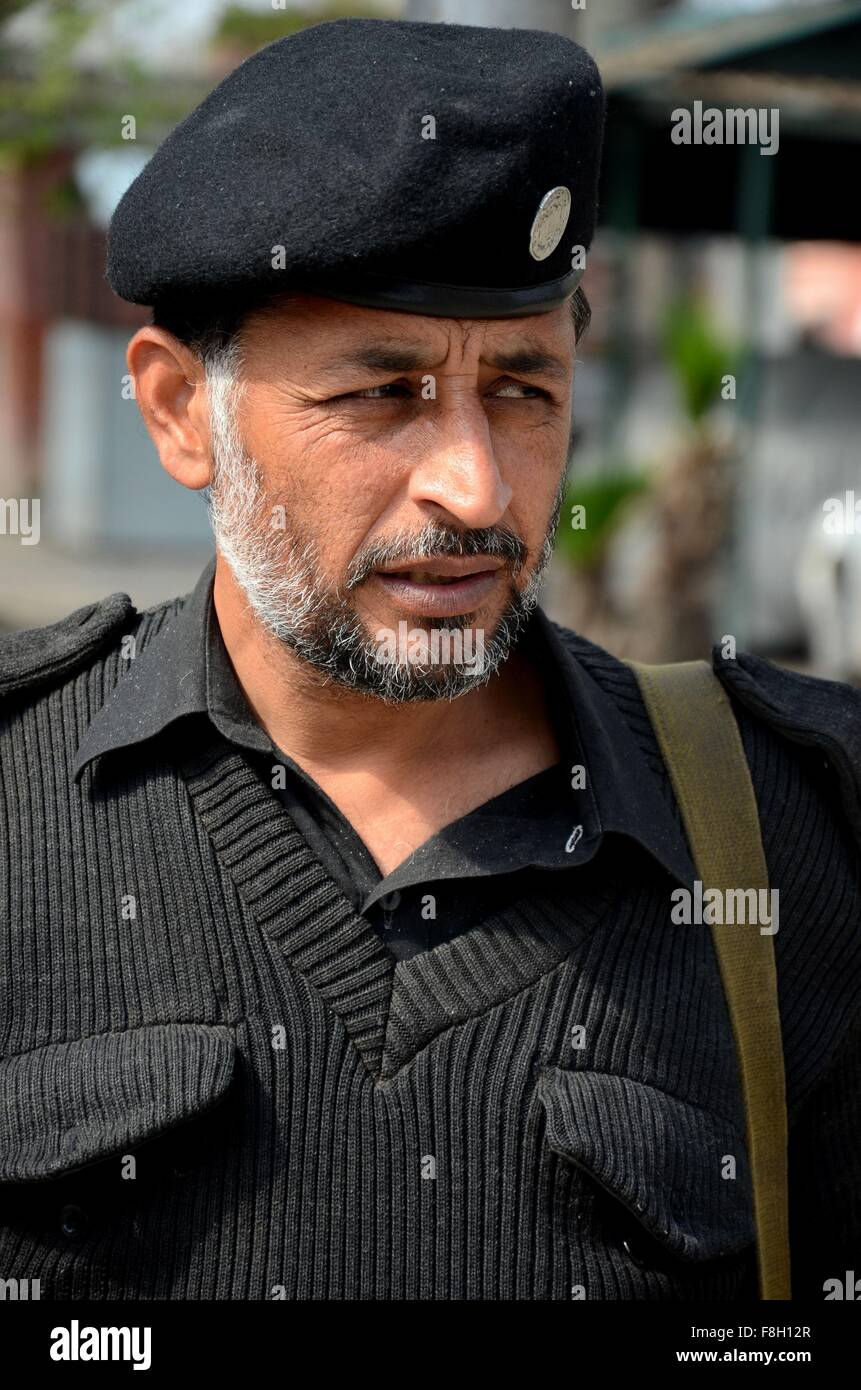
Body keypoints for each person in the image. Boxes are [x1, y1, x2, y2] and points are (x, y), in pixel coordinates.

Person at [0, 18, 858, 1302]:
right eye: (382, 392)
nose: (475, 485)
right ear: (184, 413)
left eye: (523, 387)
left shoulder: (798, 830)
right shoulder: (17, 800)